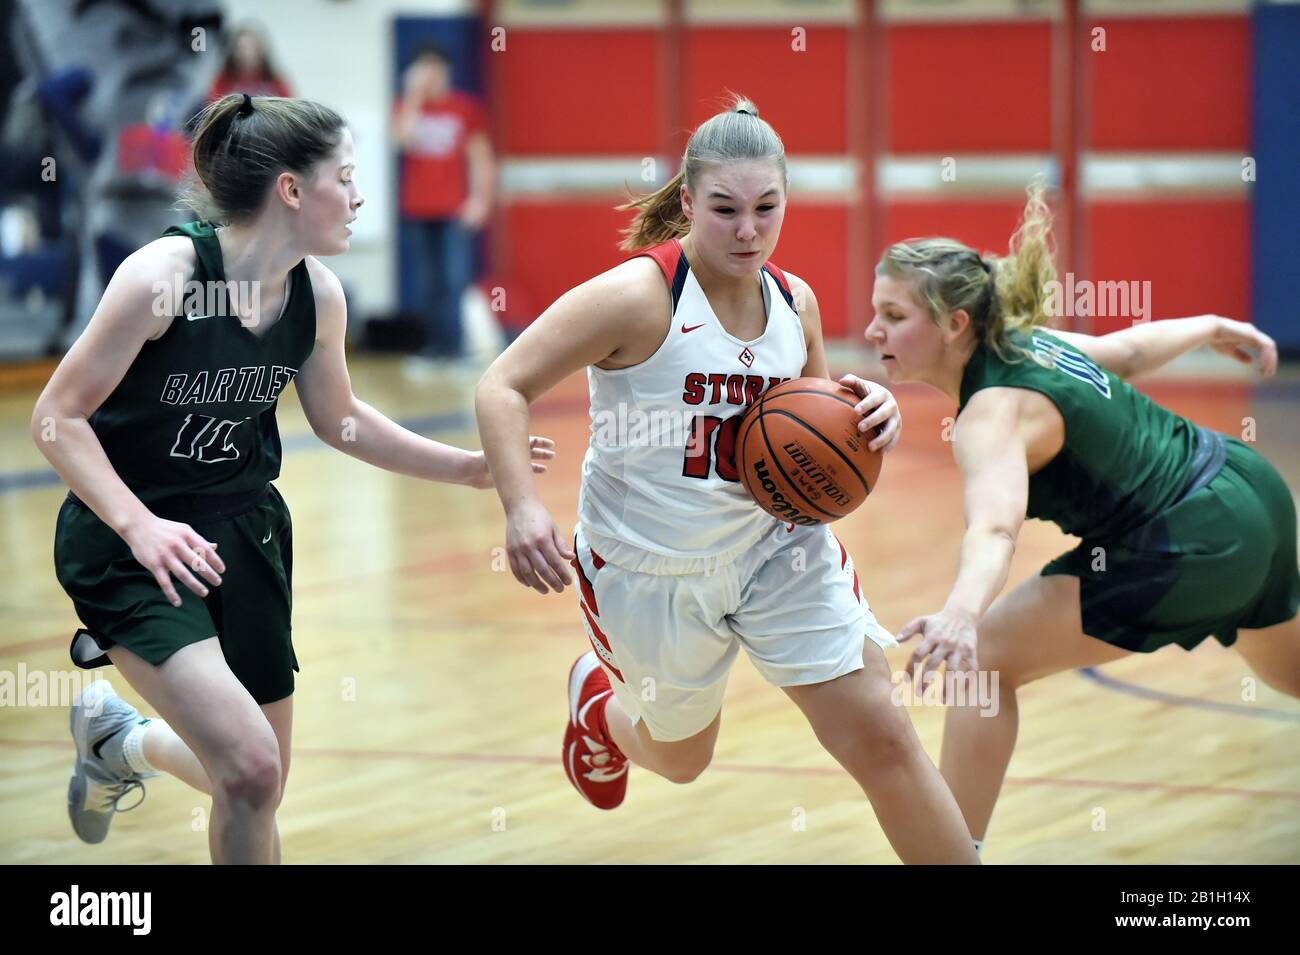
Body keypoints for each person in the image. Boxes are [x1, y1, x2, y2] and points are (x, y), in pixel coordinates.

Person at [32, 93, 552, 864]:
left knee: (255, 783)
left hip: (245, 535)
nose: (360, 194)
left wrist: (472, 468)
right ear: (291, 190)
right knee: (249, 767)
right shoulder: (165, 276)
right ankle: (122, 737)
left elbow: (341, 420)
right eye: (345, 176)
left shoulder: (321, 296)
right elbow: (56, 417)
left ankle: (121, 742)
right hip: (132, 543)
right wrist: (140, 526)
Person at [475, 97, 981, 864]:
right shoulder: (637, 299)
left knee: (883, 731)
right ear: (687, 203)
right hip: (650, 566)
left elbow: (814, 417)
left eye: (766, 208)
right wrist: (521, 508)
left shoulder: (794, 301)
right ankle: (597, 707)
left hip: (776, 547)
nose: (748, 230)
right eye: (725, 210)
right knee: (682, 759)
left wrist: (868, 409)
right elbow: (501, 385)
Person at [865, 178, 1298, 857]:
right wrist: (1212, 327)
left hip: (1189, 540)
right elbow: (1125, 353)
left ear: (953, 325)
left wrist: (960, 611)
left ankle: (949, 855)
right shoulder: (1026, 342)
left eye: (893, 315)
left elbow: (995, 527)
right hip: (1251, 488)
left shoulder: (989, 412)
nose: (873, 331)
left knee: (981, 660)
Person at [392, 44, 494, 367]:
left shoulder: (465, 108)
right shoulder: (405, 106)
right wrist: (413, 97)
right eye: (424, 68)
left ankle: (456, 347)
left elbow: (480, 156)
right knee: (426, 281)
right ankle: (434, 348)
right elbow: (401, 140)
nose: (431, 76)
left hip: (453, 209)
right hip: (417, 209)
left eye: (436, 68)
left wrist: (480, 200)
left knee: (453, 278)